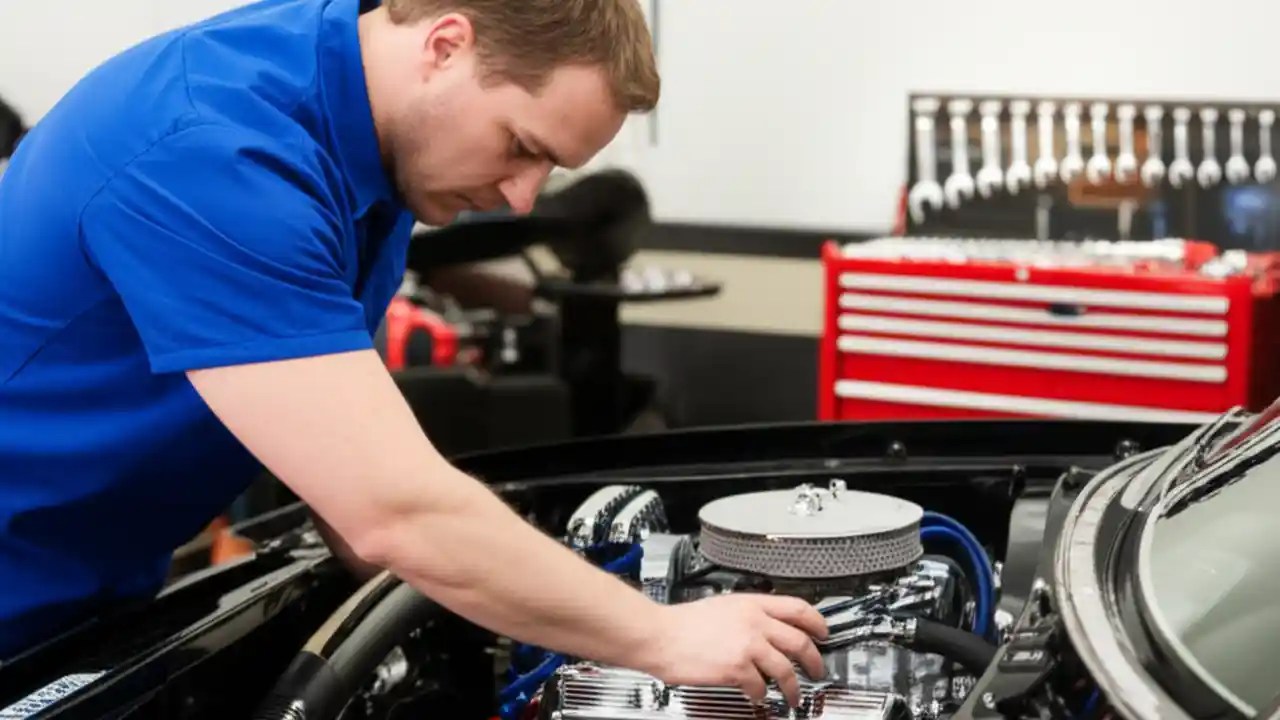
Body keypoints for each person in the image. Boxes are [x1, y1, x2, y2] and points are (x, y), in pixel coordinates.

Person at [0, 0, 829, 706]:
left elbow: (353, 503)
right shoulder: (214, 150)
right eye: (522, 145)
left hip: (91, 606)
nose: (521, 196)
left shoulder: (374, 155)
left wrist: (545, 602)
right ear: (445, 45)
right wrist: (658, 636)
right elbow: (390, 512)